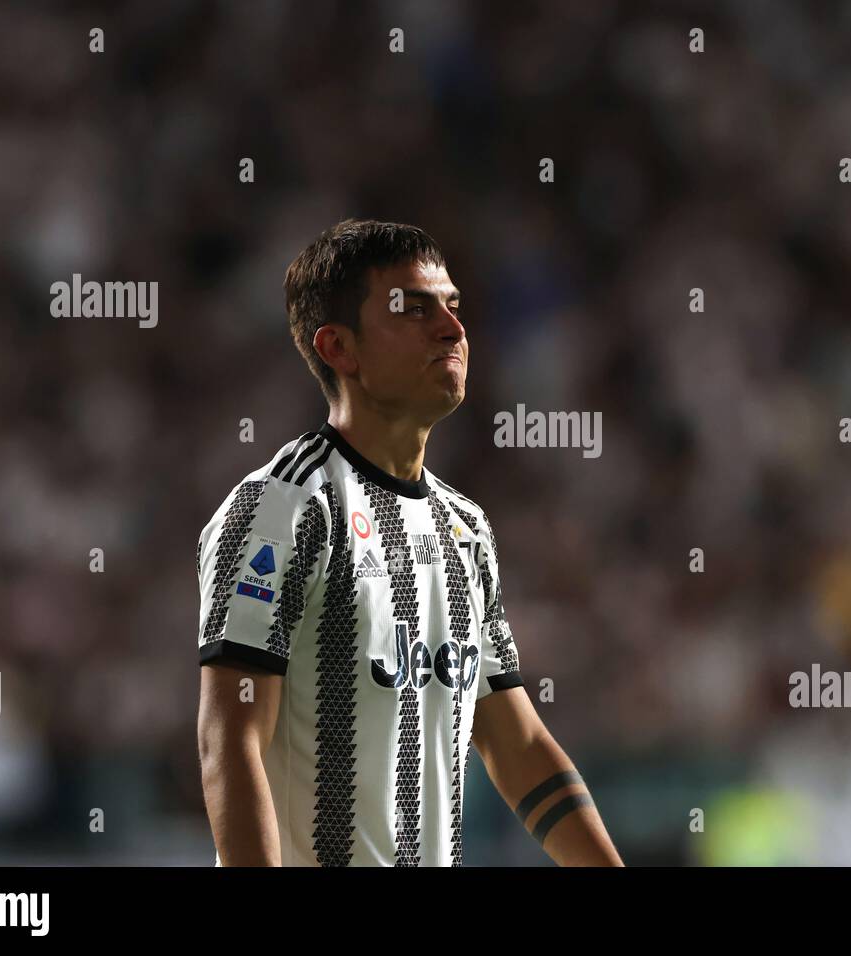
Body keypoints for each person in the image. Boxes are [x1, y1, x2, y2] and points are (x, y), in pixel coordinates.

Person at [195, 218, 623, 866]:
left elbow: (517, 744)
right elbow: (230, 737)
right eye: (413, 311)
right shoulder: (283, 509)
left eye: (453, 309)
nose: (452, 330)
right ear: (340, 348)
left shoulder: (465, 528)